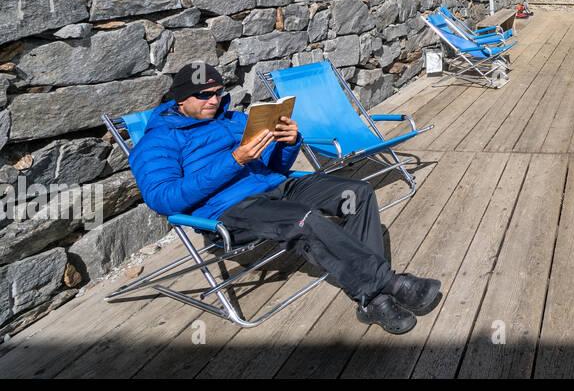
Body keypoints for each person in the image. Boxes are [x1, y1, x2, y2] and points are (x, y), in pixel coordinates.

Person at [129, 62, 439, 335]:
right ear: (181, 99)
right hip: (231, 210)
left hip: (277, 186)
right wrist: (234, 160)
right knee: (305, 219)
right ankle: (389, 286)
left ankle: (371, 299)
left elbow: (275, 166)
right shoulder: (159, 140)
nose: (214, 100)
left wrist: (291, 142)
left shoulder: (233, 119)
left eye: (219, 92)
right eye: (204, 95)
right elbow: (162, 199)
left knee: (356, 193)